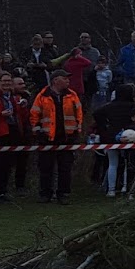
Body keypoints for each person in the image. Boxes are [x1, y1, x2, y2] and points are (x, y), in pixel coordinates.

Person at [29, 68, 83, 205]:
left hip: (67, 138)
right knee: (46, 168)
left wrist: (77, 131)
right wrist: (38, 132)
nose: (68, 81)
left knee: (65, 168)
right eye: (65, 78)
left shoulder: (72, 95)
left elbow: (79, 114)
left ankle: (63, 194)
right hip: (47, 138)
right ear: (55, 80)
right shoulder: (42, 96)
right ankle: (45, 194)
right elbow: (34, 114)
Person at [0, 72, 31, 204]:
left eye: (9, 81)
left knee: (7, 165)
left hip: (13, 132)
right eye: (4, 81)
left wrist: (24, 108)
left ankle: (2, 191)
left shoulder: (15, 98)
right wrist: (0, 114)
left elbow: (22, 117)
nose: (7, 84)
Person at [92, 85, 135, 198]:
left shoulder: (109, 106)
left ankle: (111, 190)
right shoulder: (133, 106)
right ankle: (125, 188)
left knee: (112, 164)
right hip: (129, 136)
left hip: (111, 137)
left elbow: (96, 114)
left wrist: (103, 127)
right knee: (128, 163)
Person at [11, 75, 33, 193]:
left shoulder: (28, 97)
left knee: (22, 163)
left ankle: (20, 186)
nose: (23, 86)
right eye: (19, 84)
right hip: (10, 133)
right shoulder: (7, 98)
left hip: (25, 133)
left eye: (23, 83)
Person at [64, 43, 95, 109]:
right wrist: (80, 58)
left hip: (72, 85)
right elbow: (88, 62)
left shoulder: (67, 62)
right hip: (76, 85)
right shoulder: (78, 63)